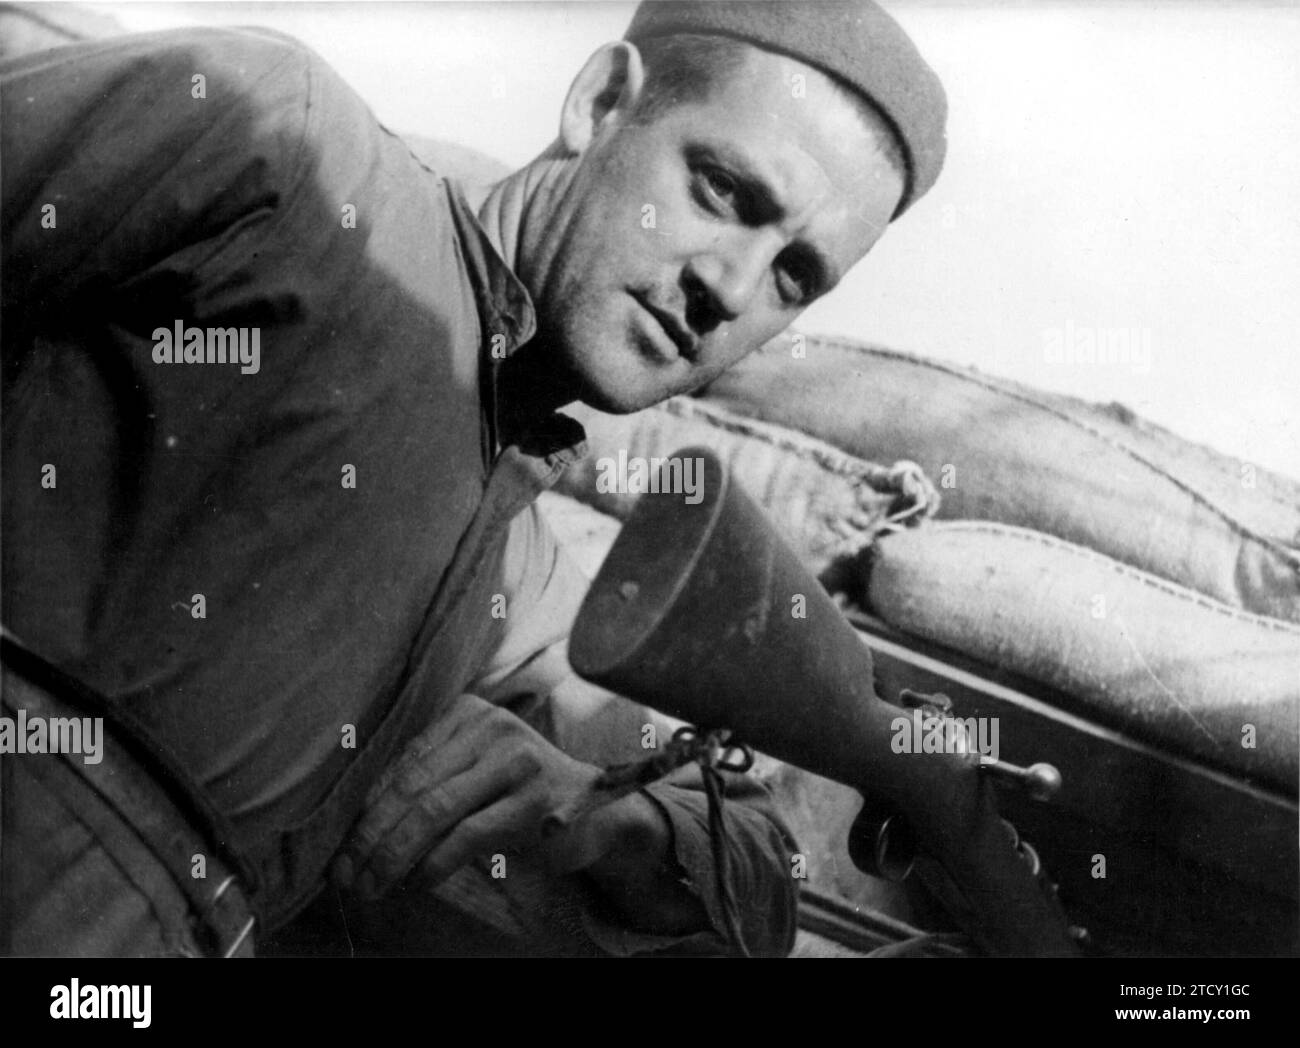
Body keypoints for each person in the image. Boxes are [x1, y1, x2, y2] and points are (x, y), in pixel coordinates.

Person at [0, 0, 946, 956]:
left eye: (794, 277)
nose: (734, 287)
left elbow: (754, 858)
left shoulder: (510, 568)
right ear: (600, 102)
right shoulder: (290, 149)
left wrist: (605, 813)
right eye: (723, 191)